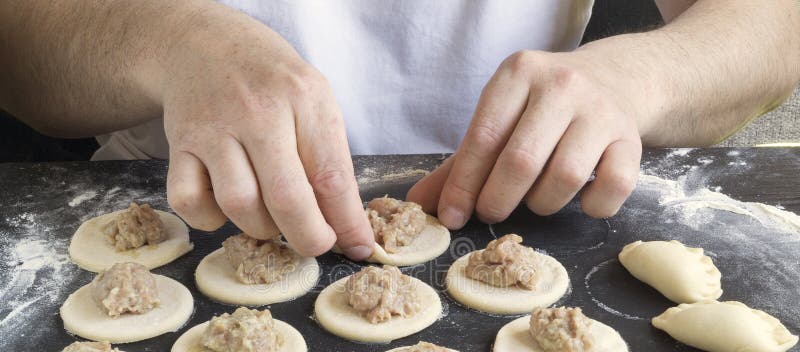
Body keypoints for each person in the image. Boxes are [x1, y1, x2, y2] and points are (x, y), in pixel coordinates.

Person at [1, 1, 798, 261]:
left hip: (525, 211)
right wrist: (163, 42)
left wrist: (643, 75)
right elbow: (19, 51)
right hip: (183, 208)